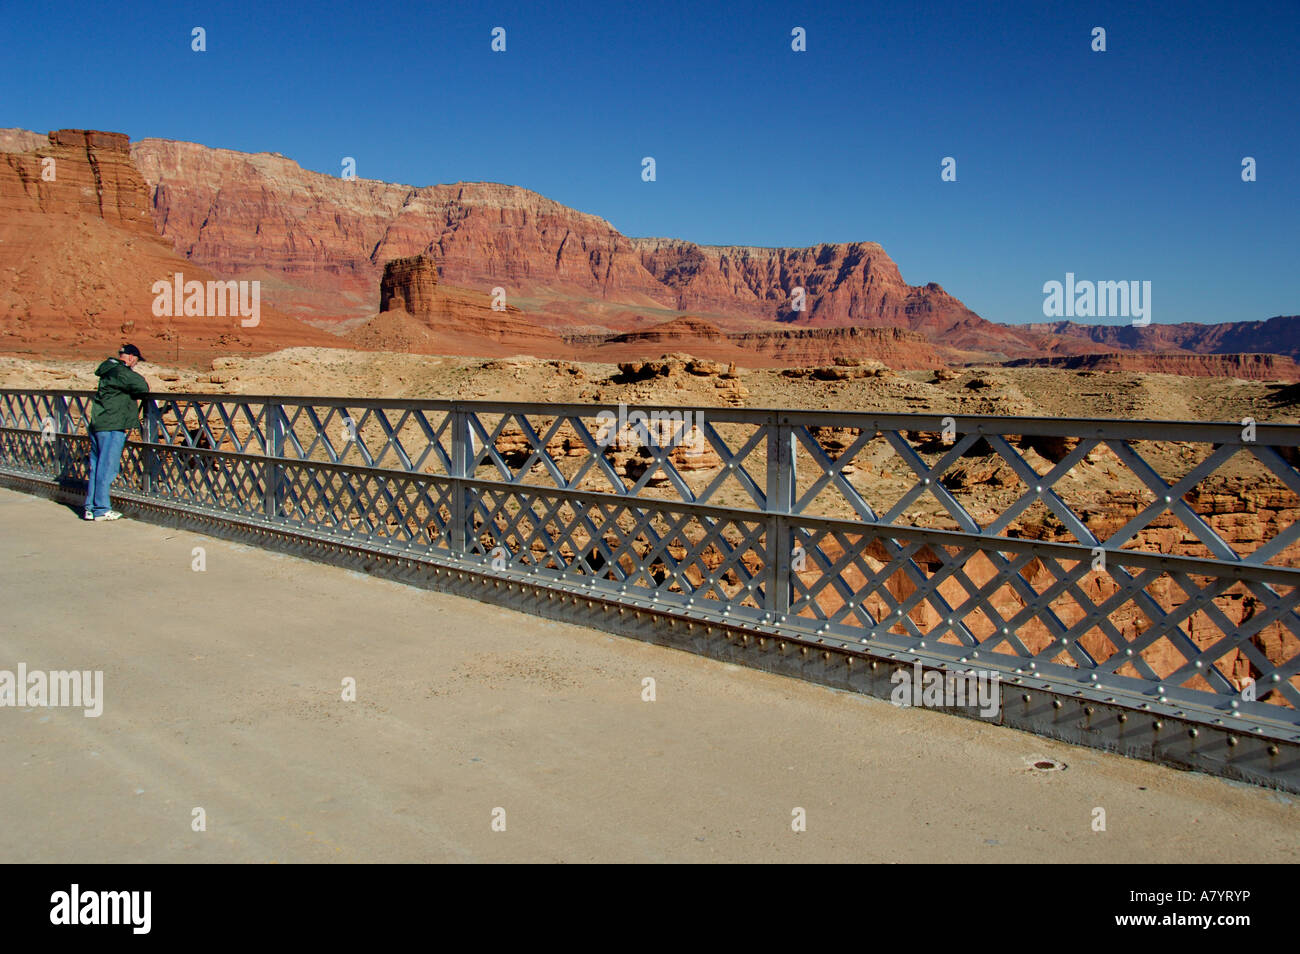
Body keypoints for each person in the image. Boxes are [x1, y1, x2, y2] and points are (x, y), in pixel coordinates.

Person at [84, 344, 149, 521]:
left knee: (96, 467)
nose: (135, 363)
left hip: (99, 423)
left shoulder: (107, 369)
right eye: (135, 359)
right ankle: (101, 509)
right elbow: (142, 386)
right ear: (130, 357)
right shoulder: (120, 371)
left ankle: (90, 508)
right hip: (112, 425)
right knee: (107, 468)